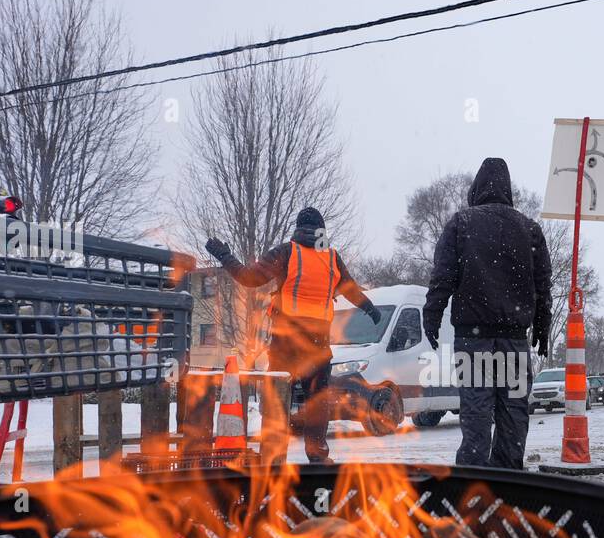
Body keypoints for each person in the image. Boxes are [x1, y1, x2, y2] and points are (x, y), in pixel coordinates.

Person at [206, 207, 380, 465]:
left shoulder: (287, 252)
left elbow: (250, 278)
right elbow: (350, 289)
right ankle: (317, 454)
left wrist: (224, 255)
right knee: (318, 400)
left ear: (298, 228)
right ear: (322, 231)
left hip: (286, 341)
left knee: (278, 398)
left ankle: (274, 455)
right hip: (318, 344)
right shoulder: (332, 258)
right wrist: (369, 308)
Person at [423, 157, 551, 469]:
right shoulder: (529, 229)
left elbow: (443, 277)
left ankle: (472, 480)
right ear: (508, 191)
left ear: (477, 188)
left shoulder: (461, 224)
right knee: (513, 412)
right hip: (514, 343)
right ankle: (508, 478)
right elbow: (542, 285)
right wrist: (542, 326)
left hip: (473, 339)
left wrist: (433, 314)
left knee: (477, 411)